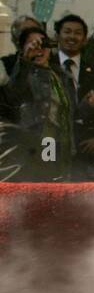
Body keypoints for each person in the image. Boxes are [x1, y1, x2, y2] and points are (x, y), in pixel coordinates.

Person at [0, 24, 73, 180]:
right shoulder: (23, 73)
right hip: (35, 143)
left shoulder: (61, 76)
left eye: (43, 44)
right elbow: (13, 97)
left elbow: (67, 111)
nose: (39, 49)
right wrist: (26, 61)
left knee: (53, 184)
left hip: (59, 144)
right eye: (32, 44)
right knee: (41, 182)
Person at [53, 13, 94, 179]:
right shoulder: (47, 66)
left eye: (78, 33)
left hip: (87, 146)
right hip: (51, 143)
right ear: (57, 36)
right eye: (67, 31)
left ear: (85, 39)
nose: (72, 36)